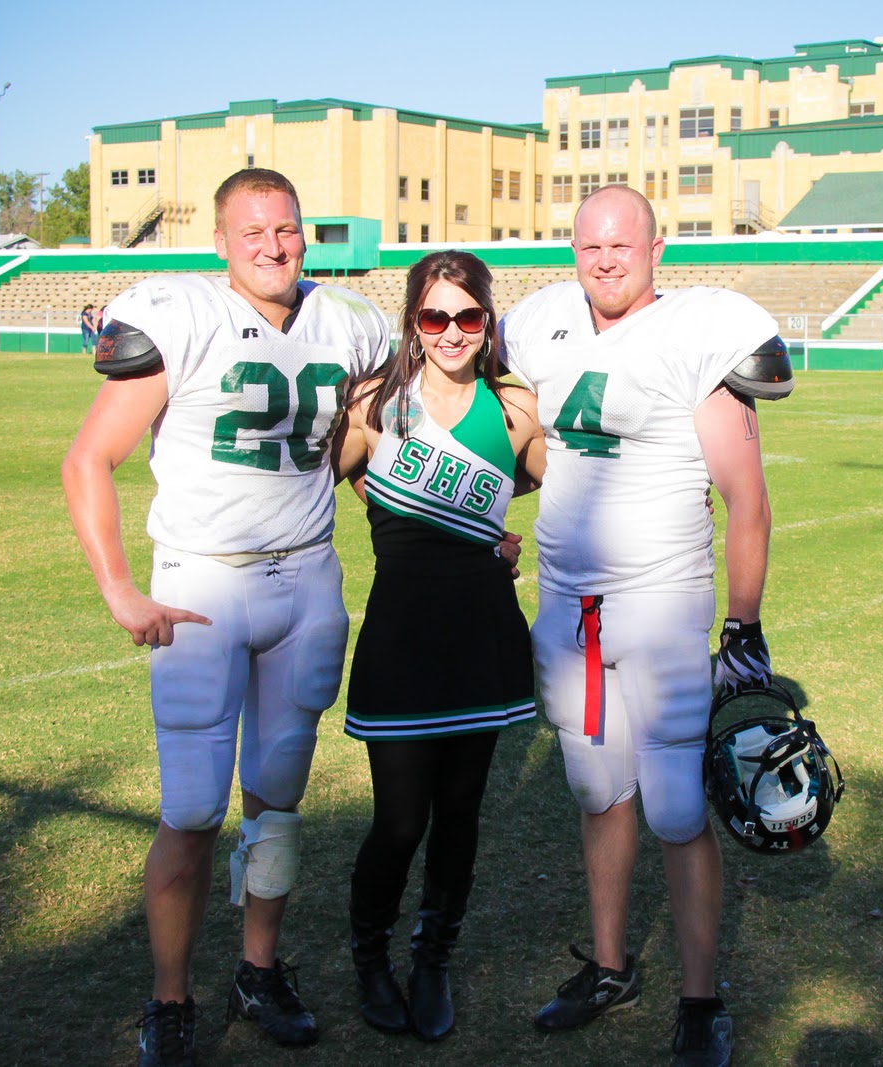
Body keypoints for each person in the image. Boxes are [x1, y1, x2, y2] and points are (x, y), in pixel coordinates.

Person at [62, 167, 392, 1067]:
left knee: (277, 799)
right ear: (220, 242)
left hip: (307, 581)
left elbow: (365, 451)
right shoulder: (185, 316)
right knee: (193, 808)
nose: (273, 246)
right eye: (253, 232)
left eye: (286, 229)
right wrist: (119, 590)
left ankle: (259, 968)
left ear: (304, 233)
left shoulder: (349, 322)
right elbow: (88, 459)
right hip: (203, 586)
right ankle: (171, 998)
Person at [500, 185, 792, 1067]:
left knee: (673, 804)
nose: (605, 260)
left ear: (656, 249)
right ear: (573, 251)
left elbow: (748, 500)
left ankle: (701, 998)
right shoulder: (543, 325)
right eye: (590, 245)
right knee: (598, 792)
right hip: (570, 611)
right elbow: (523, 446)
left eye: (622, 245)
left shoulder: (697, 332)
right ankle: (610, 965)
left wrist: (742, 624)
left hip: (661, 607)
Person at [330, 250, 545, 1042]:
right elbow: (310, 481)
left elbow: (571, 484)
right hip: (401, 636)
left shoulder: (515, 407)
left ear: (487, 322)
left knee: (459, 813)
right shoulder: (375, 401)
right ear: (413, 322)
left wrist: (494, 537)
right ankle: (370, 960)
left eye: (467, 316)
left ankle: (432, 959)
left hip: (480, 635)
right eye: (435, 316)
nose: (452, 331)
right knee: (398, 821)